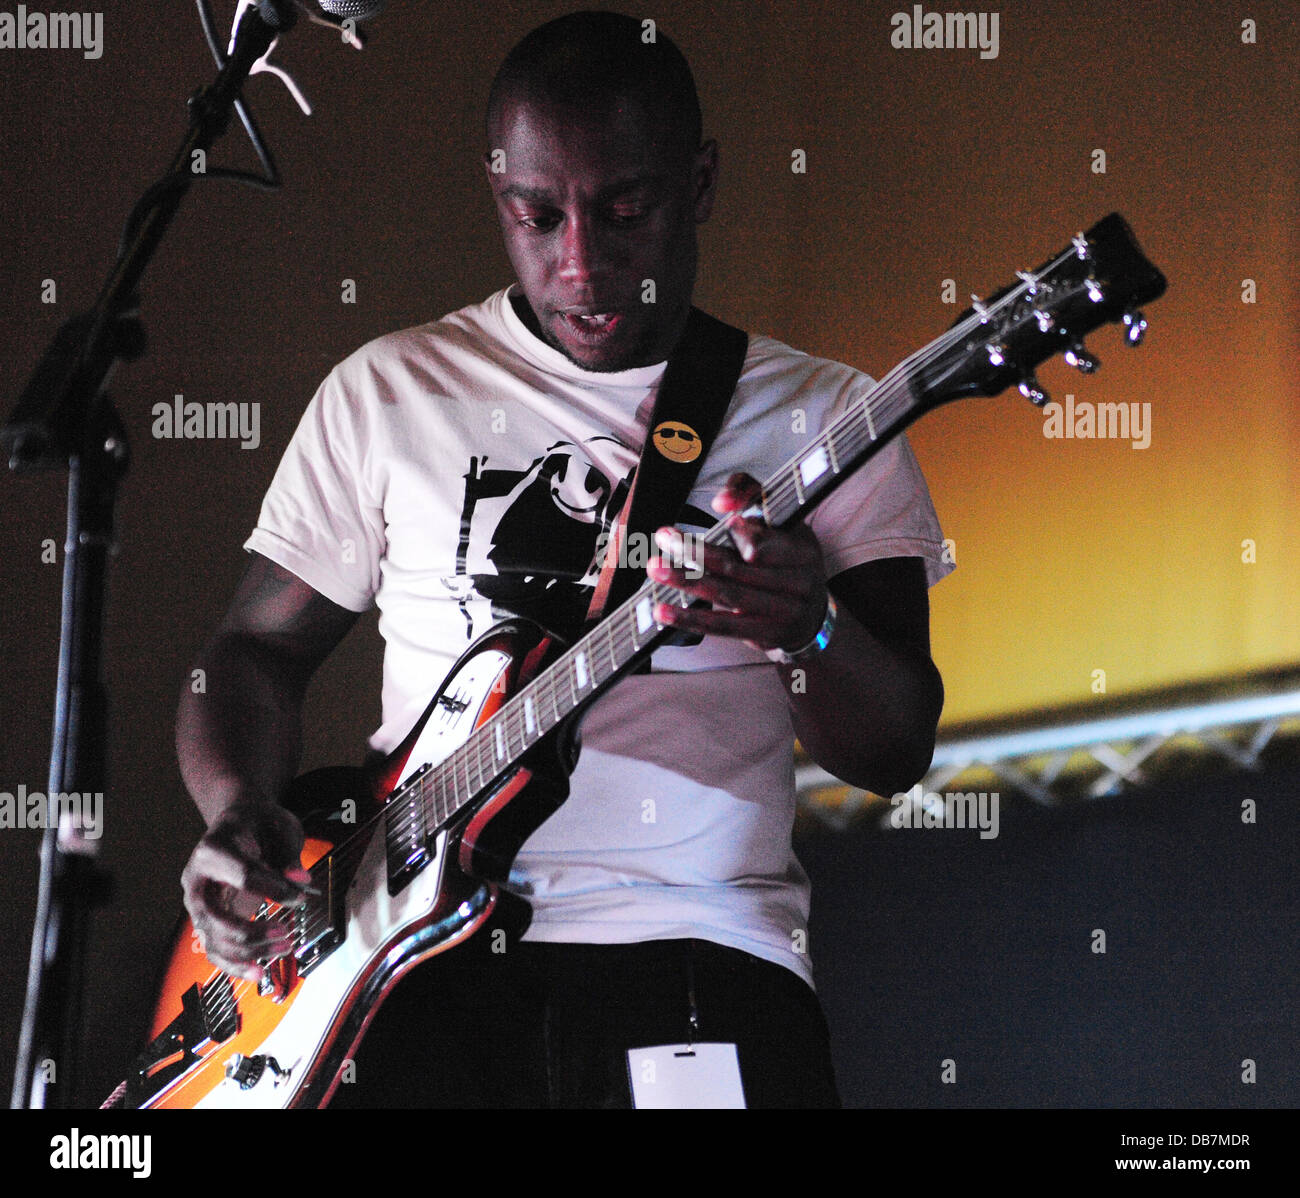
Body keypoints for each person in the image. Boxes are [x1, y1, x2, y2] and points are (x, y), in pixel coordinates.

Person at [177, 10, 952, 1109]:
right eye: (535, 215)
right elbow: (251, 650)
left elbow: (895, 746)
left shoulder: (823, 418)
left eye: (625, 208)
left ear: (702, 182)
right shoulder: (390, 390)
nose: (579, 261)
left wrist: (804, 625)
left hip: (699, 952)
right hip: (399, 968)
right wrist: (235, 807)